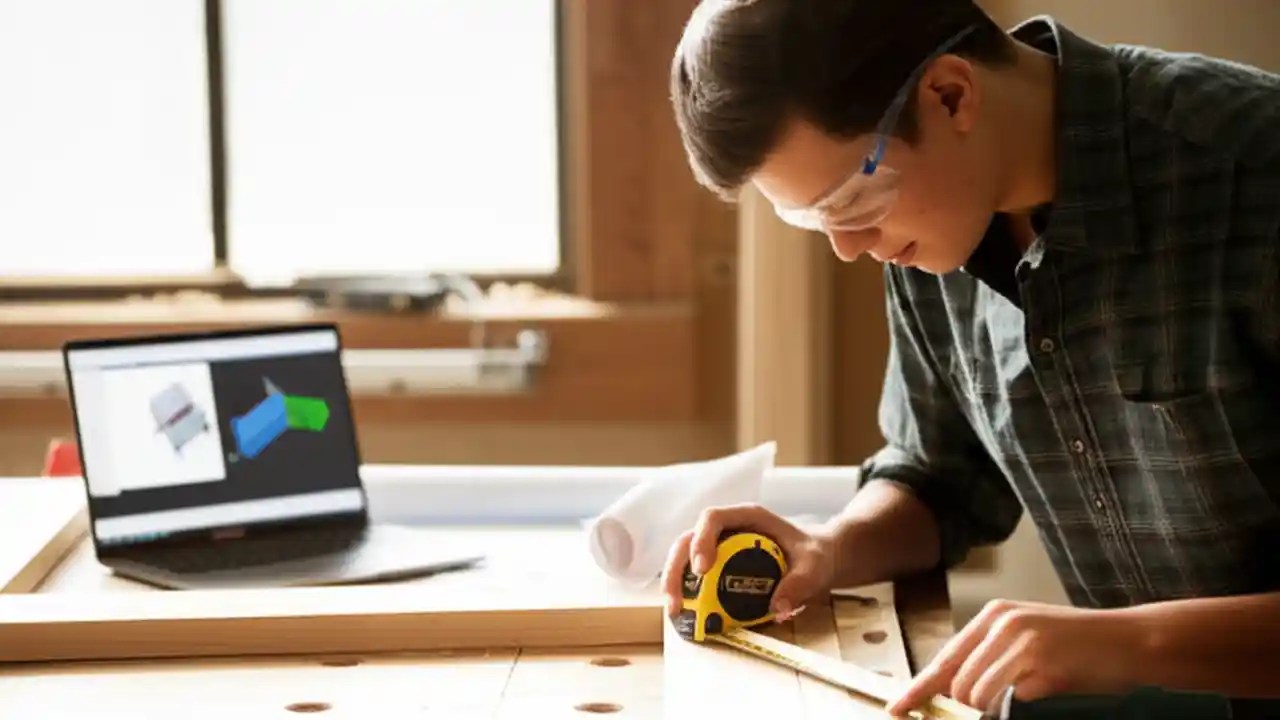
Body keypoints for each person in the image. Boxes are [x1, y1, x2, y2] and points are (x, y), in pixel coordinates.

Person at [662, 0, 1280, 715]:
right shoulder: (933, 224)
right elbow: (941, 477)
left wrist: (1128, 644)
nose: (850, 246)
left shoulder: (1253, 173)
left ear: (952, 95)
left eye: (854, 201)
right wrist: (831, 549)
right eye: (814, 220)